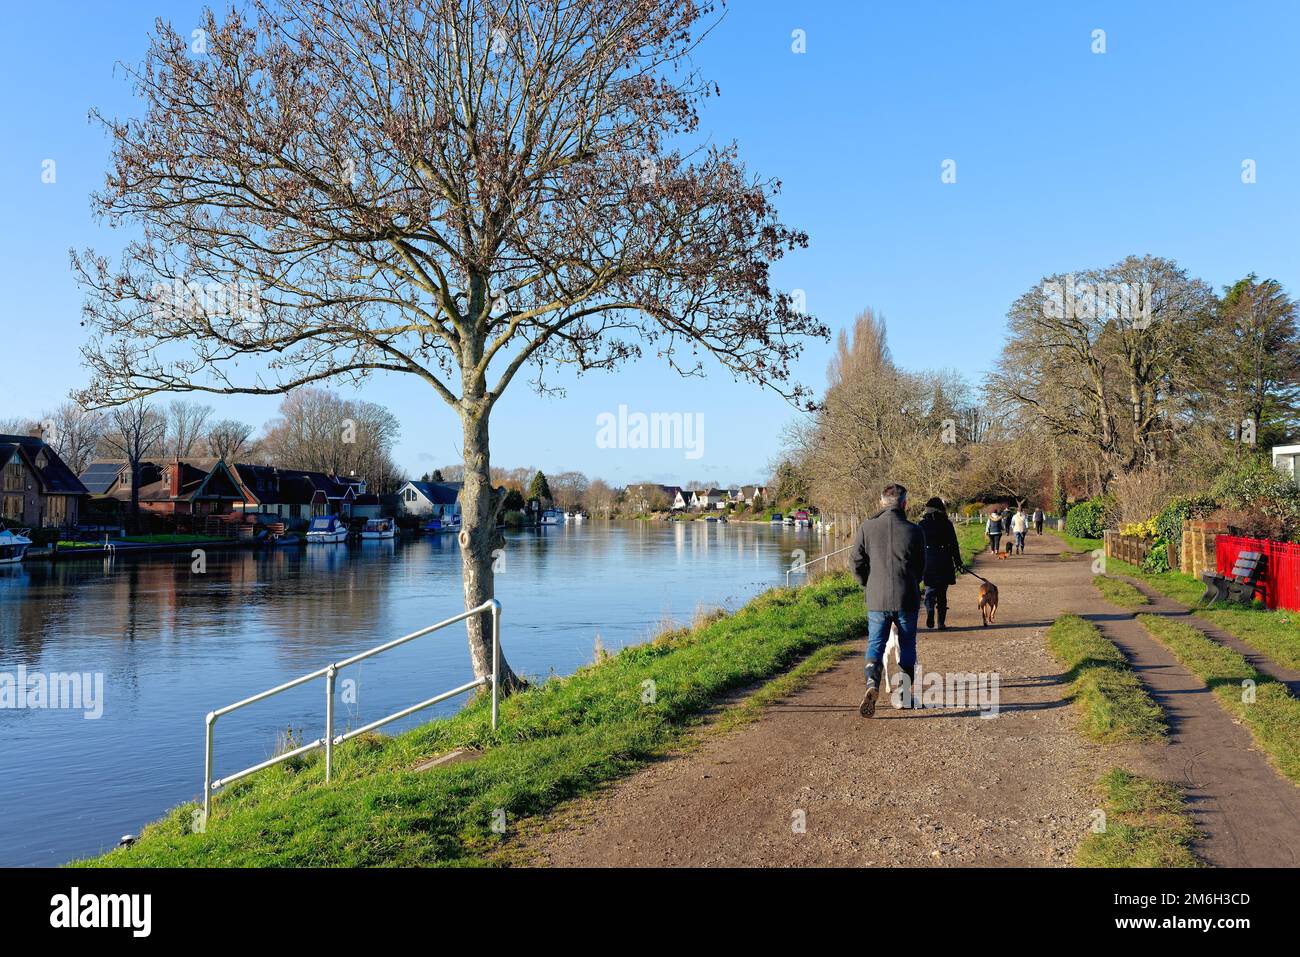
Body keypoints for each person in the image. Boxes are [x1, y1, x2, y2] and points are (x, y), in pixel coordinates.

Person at [851, 483, 926, 718]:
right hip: (907, 597)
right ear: (904, 503)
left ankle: (872, 684)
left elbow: (855, 562)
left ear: (881, 503)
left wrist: (868, 583)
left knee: (876, 644)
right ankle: (903, 695)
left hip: (877, 598)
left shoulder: (866, 528)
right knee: (907, 646)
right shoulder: (915, 530)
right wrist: (912, 581)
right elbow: (921, 567)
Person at [918, 497, 962, 630]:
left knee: (930, 590)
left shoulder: (922, 524)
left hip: (928, 561)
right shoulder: (947, 523)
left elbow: (917, 545)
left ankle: (930, 609)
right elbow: (954, 544)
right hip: (944, 560)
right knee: (942, 594)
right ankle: (941, 622)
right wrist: (958, 561)